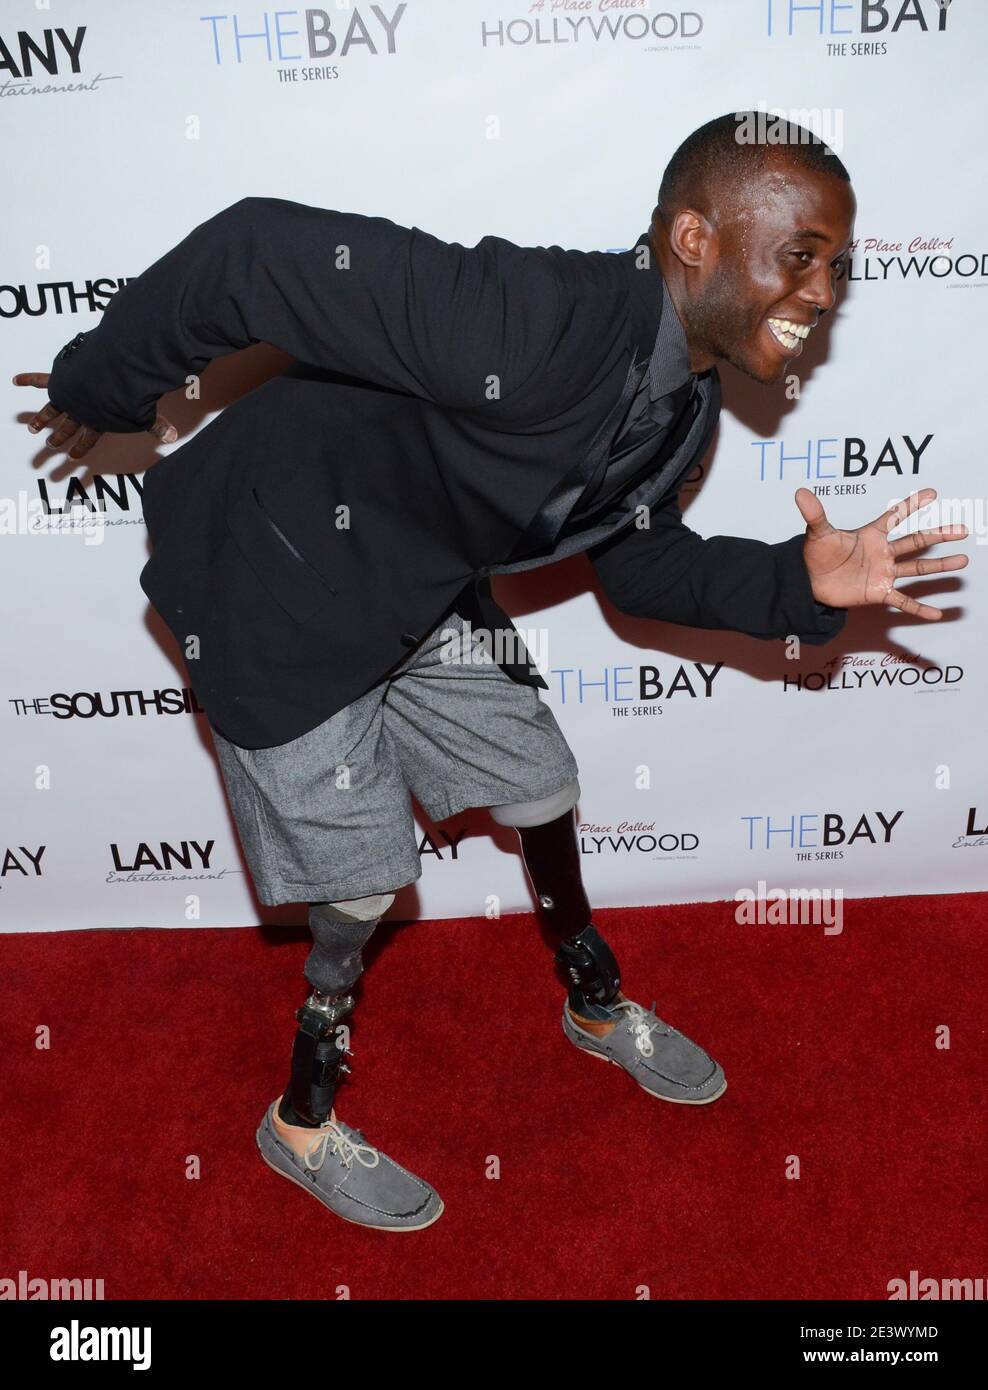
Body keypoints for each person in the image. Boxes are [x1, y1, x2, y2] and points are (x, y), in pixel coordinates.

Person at [14, 114, 968, 1233]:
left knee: (539, 779)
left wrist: (801, 586)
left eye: (837, 267)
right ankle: (303, 1119)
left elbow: (642, 569)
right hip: (270, 585)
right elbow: (255, 248)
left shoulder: (684, 405)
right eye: (797, 254)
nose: (822, 291)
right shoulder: (539, 316)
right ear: (695, 237)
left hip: (416, 581)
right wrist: (102, 380)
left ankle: (594, 998)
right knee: (364, 883)